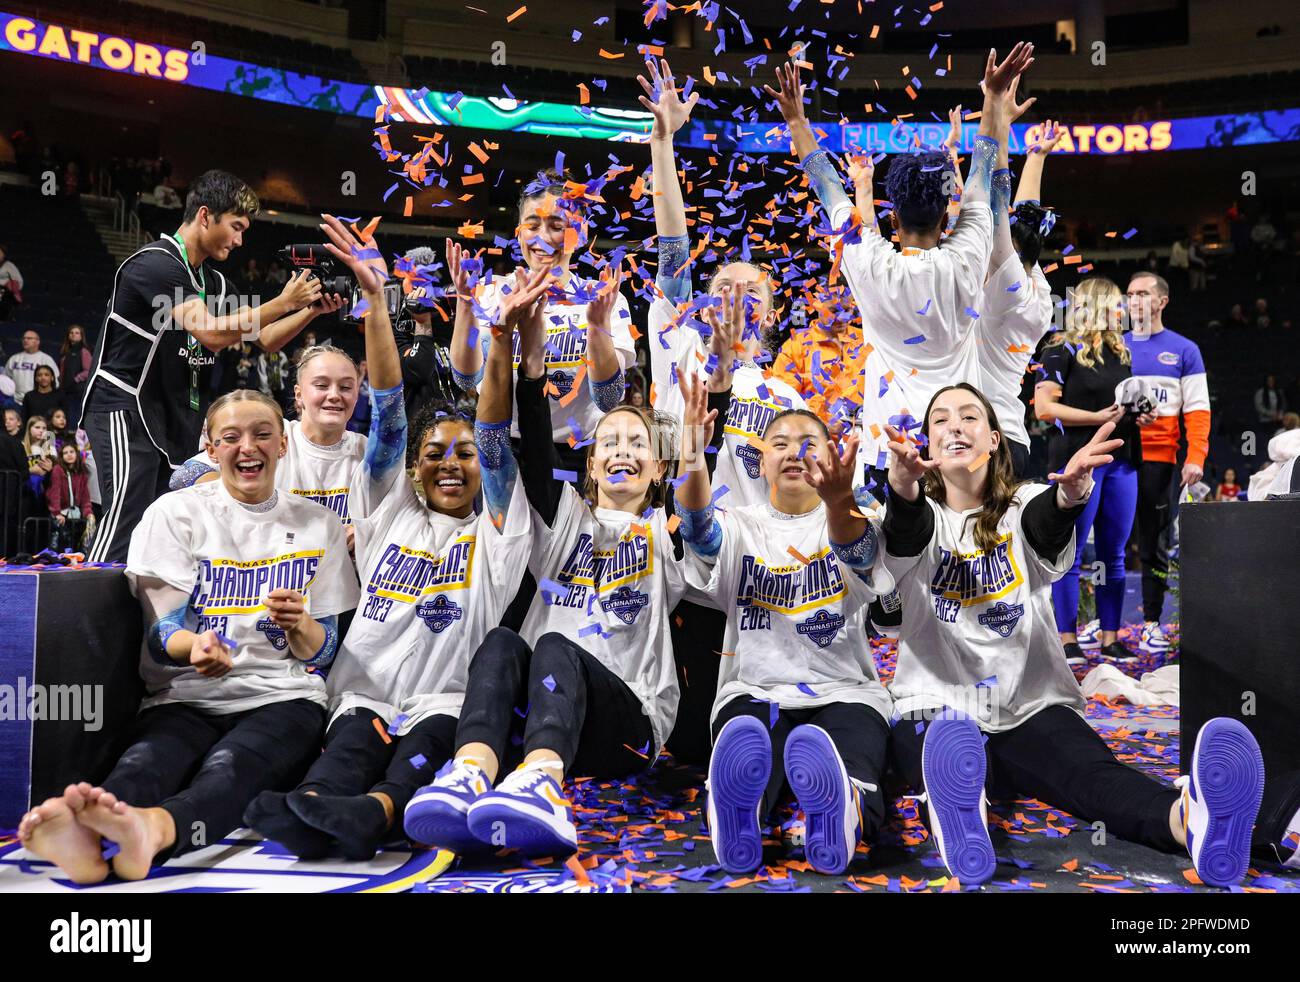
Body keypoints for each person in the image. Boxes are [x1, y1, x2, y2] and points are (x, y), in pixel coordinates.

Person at [880, 381, 1265, 889]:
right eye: (942, 420)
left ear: (995, 439)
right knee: (937, 748)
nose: (956, 426)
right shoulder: (912, 517)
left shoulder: (1025, 503)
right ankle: (958, 814)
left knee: (1093, 777)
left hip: (1027, 706)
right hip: (935, 704)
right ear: (927, 443)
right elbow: (905, 535)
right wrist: (904, 490)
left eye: (970, 416)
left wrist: (1071, 493)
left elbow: (1048, 521)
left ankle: (1191, 821)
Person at [403, 265, 729, 859]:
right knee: (504, 644)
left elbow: (700, 516)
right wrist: (524, 356)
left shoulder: (663, 527)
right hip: (541, 709)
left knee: (554, 646)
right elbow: (515, 442)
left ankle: (543, 782)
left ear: (658, 469)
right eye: (610, 442)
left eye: (638, 444)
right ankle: (470, 772)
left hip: (626, 726)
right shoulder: (564, 518)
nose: (624, 451)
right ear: (590, 465)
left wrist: (697, 446)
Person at [247, 223, 535, 861]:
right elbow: (388, 412)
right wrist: (377, 306)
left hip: (446, 701)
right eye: (434, 454)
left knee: (416, 761)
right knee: (350, 745)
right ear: (412, 470)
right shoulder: (385, 512)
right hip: (364, 690)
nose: (451, 463)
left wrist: (502, 338)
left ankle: (374, 815)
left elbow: (492, 441)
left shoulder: (500, 533)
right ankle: (319, 807)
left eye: (462, 453)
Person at [15, 388, 359, 884]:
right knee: (146, 762)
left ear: (282, 445)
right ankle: (87, 836)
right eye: (231, 437)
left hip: (282, 697)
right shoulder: (174, 513)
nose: (248, 447)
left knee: (232, 766)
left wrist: (300, 624)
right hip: (184, 693)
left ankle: (154, 831)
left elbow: (321, 650)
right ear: (210, 446)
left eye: (263, 434)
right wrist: (193, 647)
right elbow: (161, 633)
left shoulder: (319, 524)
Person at [766, 46, 1033, 497]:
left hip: (888, 451)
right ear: (946, 219)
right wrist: (991, 98)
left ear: (893, 220)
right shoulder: (967, 253)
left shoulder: (868, 260)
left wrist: (796, 121)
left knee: (897, 565)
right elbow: (982, 171)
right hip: (959, 448)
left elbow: (829, 186)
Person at [638, 56, 806, 763]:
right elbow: (673, 245)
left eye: (752, 295)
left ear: (771, 318)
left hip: (750, 578)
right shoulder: (676, 340)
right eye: (723, 289)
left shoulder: (787, 396)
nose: (735, 301)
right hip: (679, 561)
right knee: (682, 746)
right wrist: (663, 144)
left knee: (748, 728)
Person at [676, 405, 894, 875]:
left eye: (809, 442)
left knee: (853, 764)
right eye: (780, 443)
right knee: (750, 756)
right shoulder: (738, 524)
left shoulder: (858, 516)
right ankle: (737, 814)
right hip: (755, 691)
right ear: (762, 460)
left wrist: (838, 502)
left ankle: (846, 814)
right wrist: (693, 451)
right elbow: (696, 529)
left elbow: (857, 553)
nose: (795, 451)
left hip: (845, 691)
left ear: (831, 456)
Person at [81, 169, 333, 563]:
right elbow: (212, 333)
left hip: (171, 413)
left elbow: (263, 338)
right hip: (124, 405)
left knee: (164, 528)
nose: (239, 240)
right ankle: (83, 618)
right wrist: (283, 302)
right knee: (127, 521)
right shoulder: (155, 264)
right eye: (235, 227)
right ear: (204, 216)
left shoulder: (212, 282)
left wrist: (310, 312)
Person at [170, 217, 395, 532]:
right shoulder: (274, 440)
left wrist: (366, 529)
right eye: (321, 385)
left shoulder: (367, 451)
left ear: (358, 392)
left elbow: (399, 512)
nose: (334, 394)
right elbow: (183, 476)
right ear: (299, 394)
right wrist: (240, 508)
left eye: (346, 386)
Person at [448, 170, 635, 474]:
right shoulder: (490, 294)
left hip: (576, 457)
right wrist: (465, 303)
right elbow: (466, 379)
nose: (544, 238)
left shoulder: (603, 299)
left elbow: (608, 397)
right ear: (518, 232)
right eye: (532, 225)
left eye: (557, 226)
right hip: (502, 450)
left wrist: (596, 325)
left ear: (580, 233)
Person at [1035, 277, 1147, 665]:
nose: (1123, 312)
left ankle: (1110, 637)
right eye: (1116, 304)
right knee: (1072, 553)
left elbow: (1122, 408)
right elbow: (1044, 408)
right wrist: (1095, 417)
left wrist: (1137, 415)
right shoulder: (1058, 349)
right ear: (1095, 305)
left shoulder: (1122, 352)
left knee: (1113, 554)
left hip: (1121, 462)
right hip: (1077, 460)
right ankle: (1067, 639)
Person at [970, 115, 1063, 478]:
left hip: (988, 447)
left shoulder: (1009, 289)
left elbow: (998, 202)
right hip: (1012, 441)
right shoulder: (1037, 286)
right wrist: (1037, 156)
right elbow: (1024, 219)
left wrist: (1000, 122)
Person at [1126, 271, 1210, 653]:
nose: (1134, 301)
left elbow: (1197, 410)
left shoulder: (1185, 350)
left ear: (1162, 301)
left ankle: (1150, 623)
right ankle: (1100, 627)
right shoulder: (1115, 347)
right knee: (1106, 544)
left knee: (1154, 543)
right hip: (1114, 459)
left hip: (1160, 460)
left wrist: (1195, 457)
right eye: (1129, 295)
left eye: (1143, 294)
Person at [46, 442, 91, 553]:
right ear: (61, 456)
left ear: (77, 454)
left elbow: (85, 496)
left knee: (78, 545)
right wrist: (57, 513)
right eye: (65, 453)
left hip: (75, 514)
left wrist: (88, 513)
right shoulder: (58, 469)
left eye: (71, 452)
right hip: (60, 514)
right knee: (59, 546)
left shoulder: (81, 472)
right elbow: (54, 492)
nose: (69, 455)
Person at [7, 329, 59, 404]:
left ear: (37, 341)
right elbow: (6, 380)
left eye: (29, 338)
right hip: (15, 401)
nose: (25, 340)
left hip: (37, 401)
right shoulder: (14, 358)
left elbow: (55, 383)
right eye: (24, 338)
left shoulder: (46, 359)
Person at [58, 325, 92, 428]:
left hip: (78, 391)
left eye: (77, 333)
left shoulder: (84, 351)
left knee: (74, 416)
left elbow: (88, 371)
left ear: (81, 336)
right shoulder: (65, 353)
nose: (73, 335)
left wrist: (76, 379)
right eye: (71, 333)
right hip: (65, 390)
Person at [0, 244, 23, 321]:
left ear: (4, 255)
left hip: (5, 292)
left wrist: (8, 284)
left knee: (9, 285)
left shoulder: (9, 265)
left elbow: (18, 281)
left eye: (0, 253)